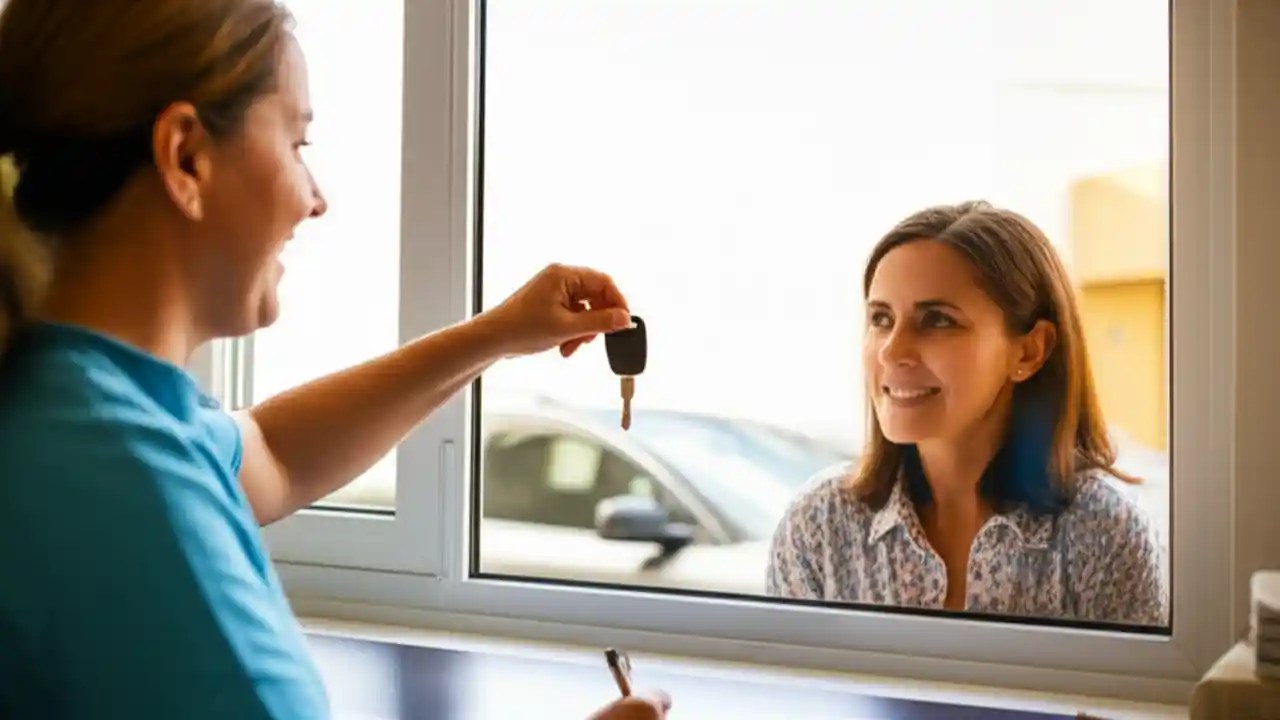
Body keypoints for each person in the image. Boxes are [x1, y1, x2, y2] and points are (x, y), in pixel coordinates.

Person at [0, 1, 668, 718]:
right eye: (297, 144)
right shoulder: (125, 482)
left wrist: (497, 334)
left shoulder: (76, 402)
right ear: (186, 157)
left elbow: (274, 452)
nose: (314, 200)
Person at [766, 201, 1168, 626]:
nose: (892, 350)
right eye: (881, 318)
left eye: (938, 321)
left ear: (1030, 351)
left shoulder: (1103, 534)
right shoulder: (817, 527)